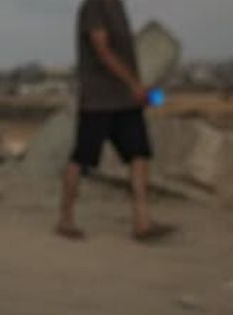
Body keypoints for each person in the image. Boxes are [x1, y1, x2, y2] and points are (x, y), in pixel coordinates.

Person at [55, 0, 173, 242]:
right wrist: (134, 84)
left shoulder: (118, 7)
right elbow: (102, 48)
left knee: (139, 154)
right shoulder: (94, 7)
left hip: (125, 101)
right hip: (98, 101)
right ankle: (65, 219)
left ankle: (142, 222)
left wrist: (137, 90)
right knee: (81, 159)